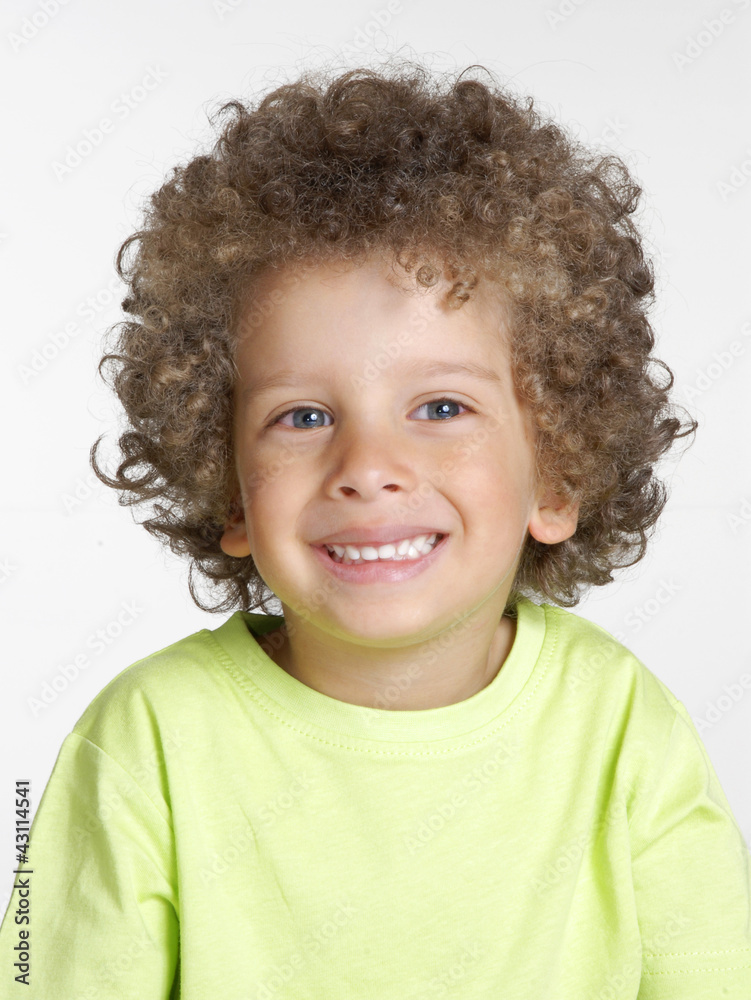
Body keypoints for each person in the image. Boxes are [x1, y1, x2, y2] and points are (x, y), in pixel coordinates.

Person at [2, 57, 750, 998]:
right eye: (303, 417)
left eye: (439, 407)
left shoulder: (623, 728)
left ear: (556, 473)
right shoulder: (145, 740)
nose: (365, 469)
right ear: (228, 488)